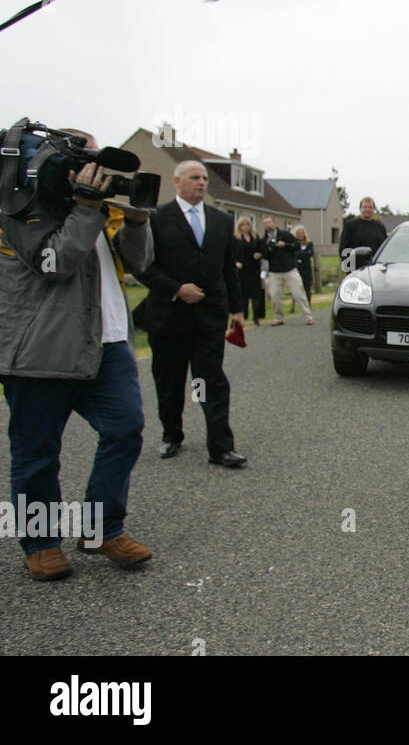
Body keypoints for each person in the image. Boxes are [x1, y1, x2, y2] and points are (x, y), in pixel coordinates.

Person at [0, 129, 155, 579]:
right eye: (82, 160)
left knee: (125, 429)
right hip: (40, 351)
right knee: (37, 452)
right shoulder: (19, 209)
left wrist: (138, 219)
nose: (92, 171)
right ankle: (41, 543)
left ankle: (100, 528)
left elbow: (141, 264)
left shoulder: (96, 209)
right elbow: (55, 262)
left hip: (107, 343)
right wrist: (86, 208)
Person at [135, 161, 247, 468]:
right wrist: (176, 289)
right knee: (169, 381)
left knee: (211, 380)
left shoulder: (221, 221)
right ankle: (172, 434)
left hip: (209, 318)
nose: (201, 183)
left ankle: (221, 448)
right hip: (168, 317)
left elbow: (228, 270)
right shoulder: (156, 218)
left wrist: (237, 310)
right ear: (178, 181)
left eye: (205, 178)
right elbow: (143, 266)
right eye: (195, 177)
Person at [261, 216, 313, 325]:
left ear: (274, 223)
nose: (268, 224)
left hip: (290, 269)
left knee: (298, 292)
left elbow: (297, 245)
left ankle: (308, 316)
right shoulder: (264, 240)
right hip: (275, 270)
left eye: (269, 222)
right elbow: (264, 254)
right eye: (265, 223)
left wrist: (285, 245)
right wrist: (269, 248)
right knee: (274, 295)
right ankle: (278, 317)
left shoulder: (285, 234)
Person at [232, 216, 264, 326]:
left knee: (256, 293)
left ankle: (256, 317)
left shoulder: (255, 237)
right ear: (239, 226)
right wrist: (236, 263)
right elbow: (230, 253)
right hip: (241, 270)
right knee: (243, 294)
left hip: (254, 269)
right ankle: (243, 316)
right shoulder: (235, 238)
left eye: (248, 224)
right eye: (243, 225)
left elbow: (261, 249)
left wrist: (259, 254)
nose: (246, 227)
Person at [339, 197, 387, 264]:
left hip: (376, 268)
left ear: (374, 209)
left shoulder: (380, 227)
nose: (367, 209)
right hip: (356, 269)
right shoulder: (350, 226)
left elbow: (385, 249)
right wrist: (350, 269)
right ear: (360, 208)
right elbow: (344, 250)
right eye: (365, 207)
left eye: (370, 207)